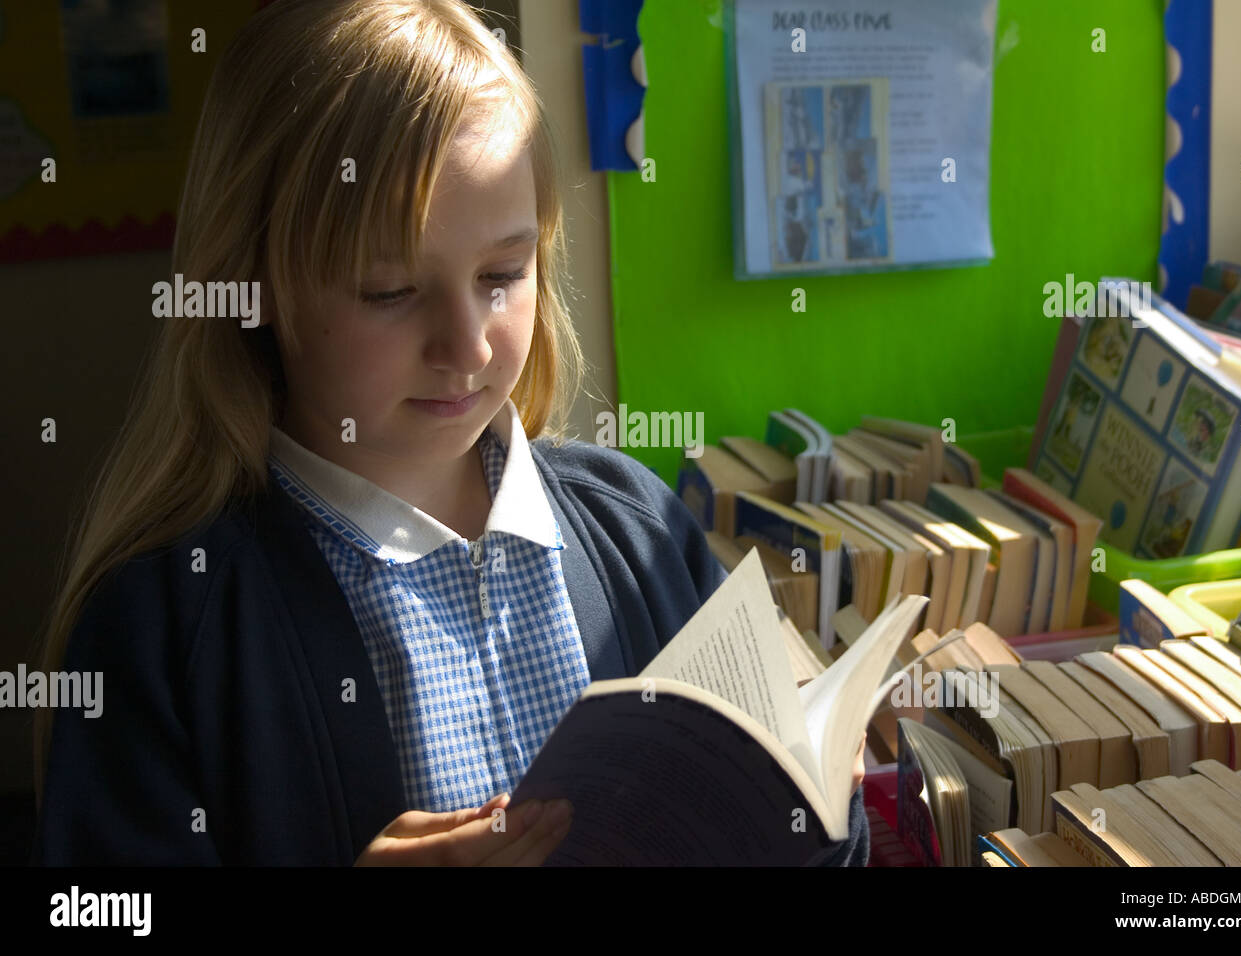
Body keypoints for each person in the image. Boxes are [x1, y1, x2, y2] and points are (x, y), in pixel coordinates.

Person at [32, 0, 869, 866]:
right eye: (390, 290)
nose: (466, 345)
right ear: (255, 282)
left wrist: (822, 813)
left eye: (503, 275)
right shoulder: (163, 624)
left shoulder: (639, 530)